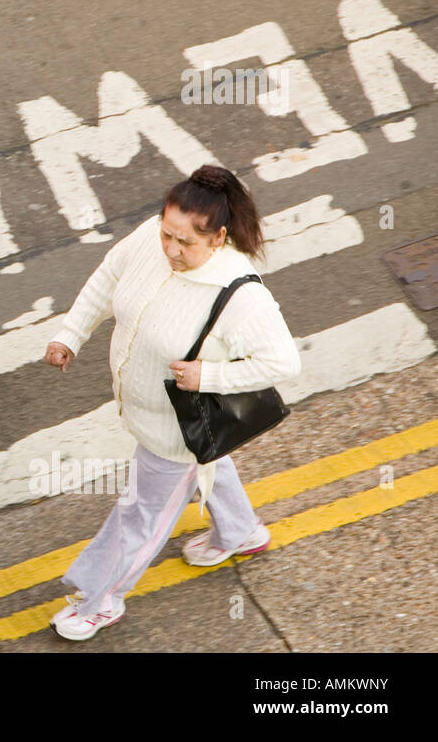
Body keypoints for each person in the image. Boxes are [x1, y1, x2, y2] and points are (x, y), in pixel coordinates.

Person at [42, 165, 300, 641]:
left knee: (139, 515)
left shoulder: (241, 295)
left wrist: (211, 375)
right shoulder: (150, 239)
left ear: (218, 238)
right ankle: (241, 531)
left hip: (174, 431)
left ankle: (99, 601)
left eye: (186, 244)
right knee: (210, 463)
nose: (172, 251)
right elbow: (107, 279)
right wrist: (70, 335)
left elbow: (283, 362)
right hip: (152, 415)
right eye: (167, 235)